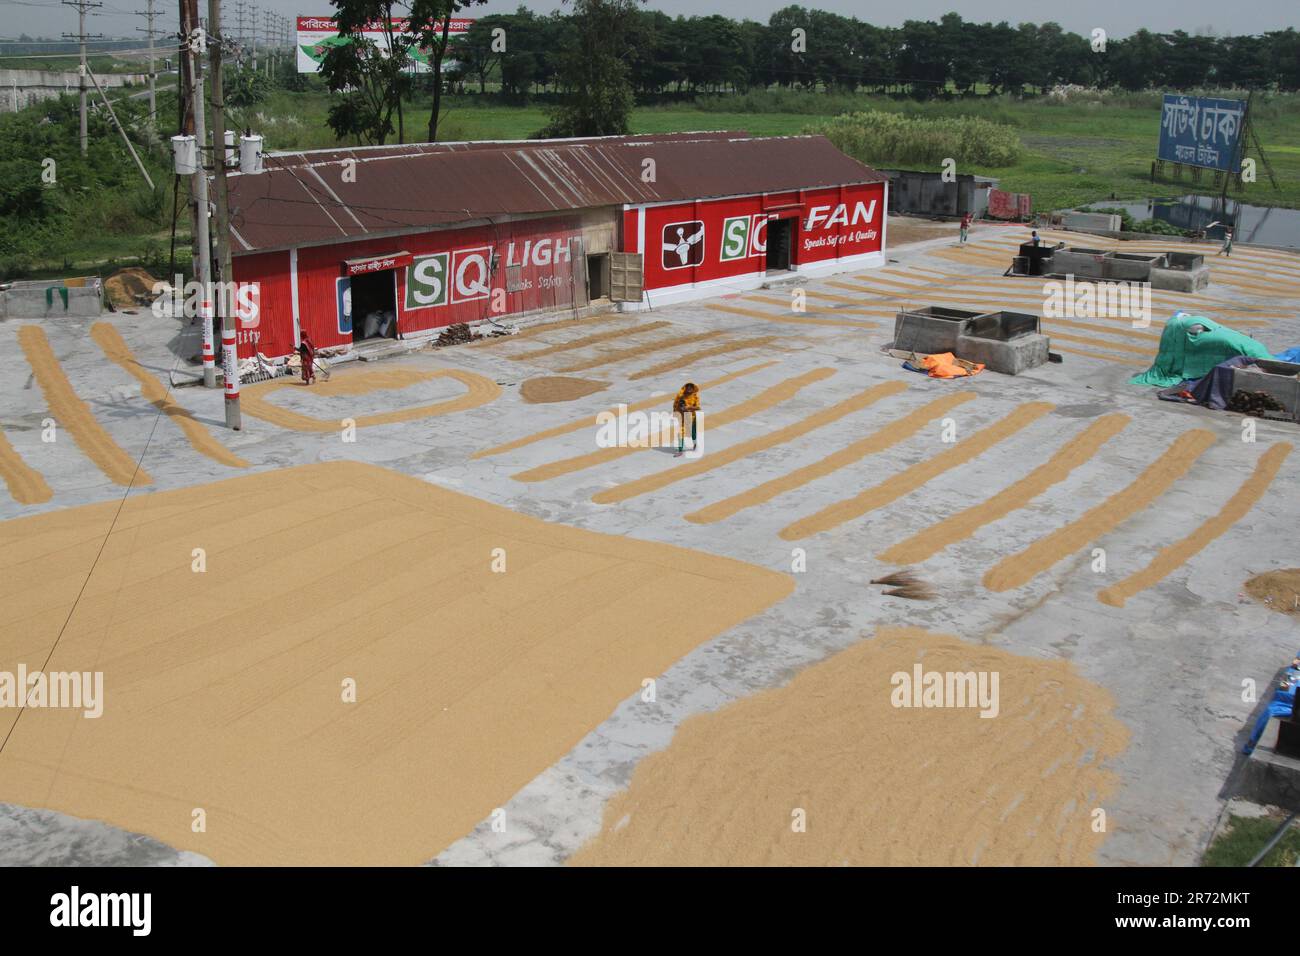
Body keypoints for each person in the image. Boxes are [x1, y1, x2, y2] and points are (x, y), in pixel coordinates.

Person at [673, 382, 700, 457]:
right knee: (680, 433)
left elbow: (698, 407)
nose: (689, 389)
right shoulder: (680, 396)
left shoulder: (695, 397)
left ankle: (694, 443)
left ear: (693, 388)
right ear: (685, 388)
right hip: (681, 417)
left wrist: (688, 408)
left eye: (691, 388)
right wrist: (678, 410)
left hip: (691, 417)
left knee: (692, 432)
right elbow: (675, 405)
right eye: (688, 387)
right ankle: (680, 450)